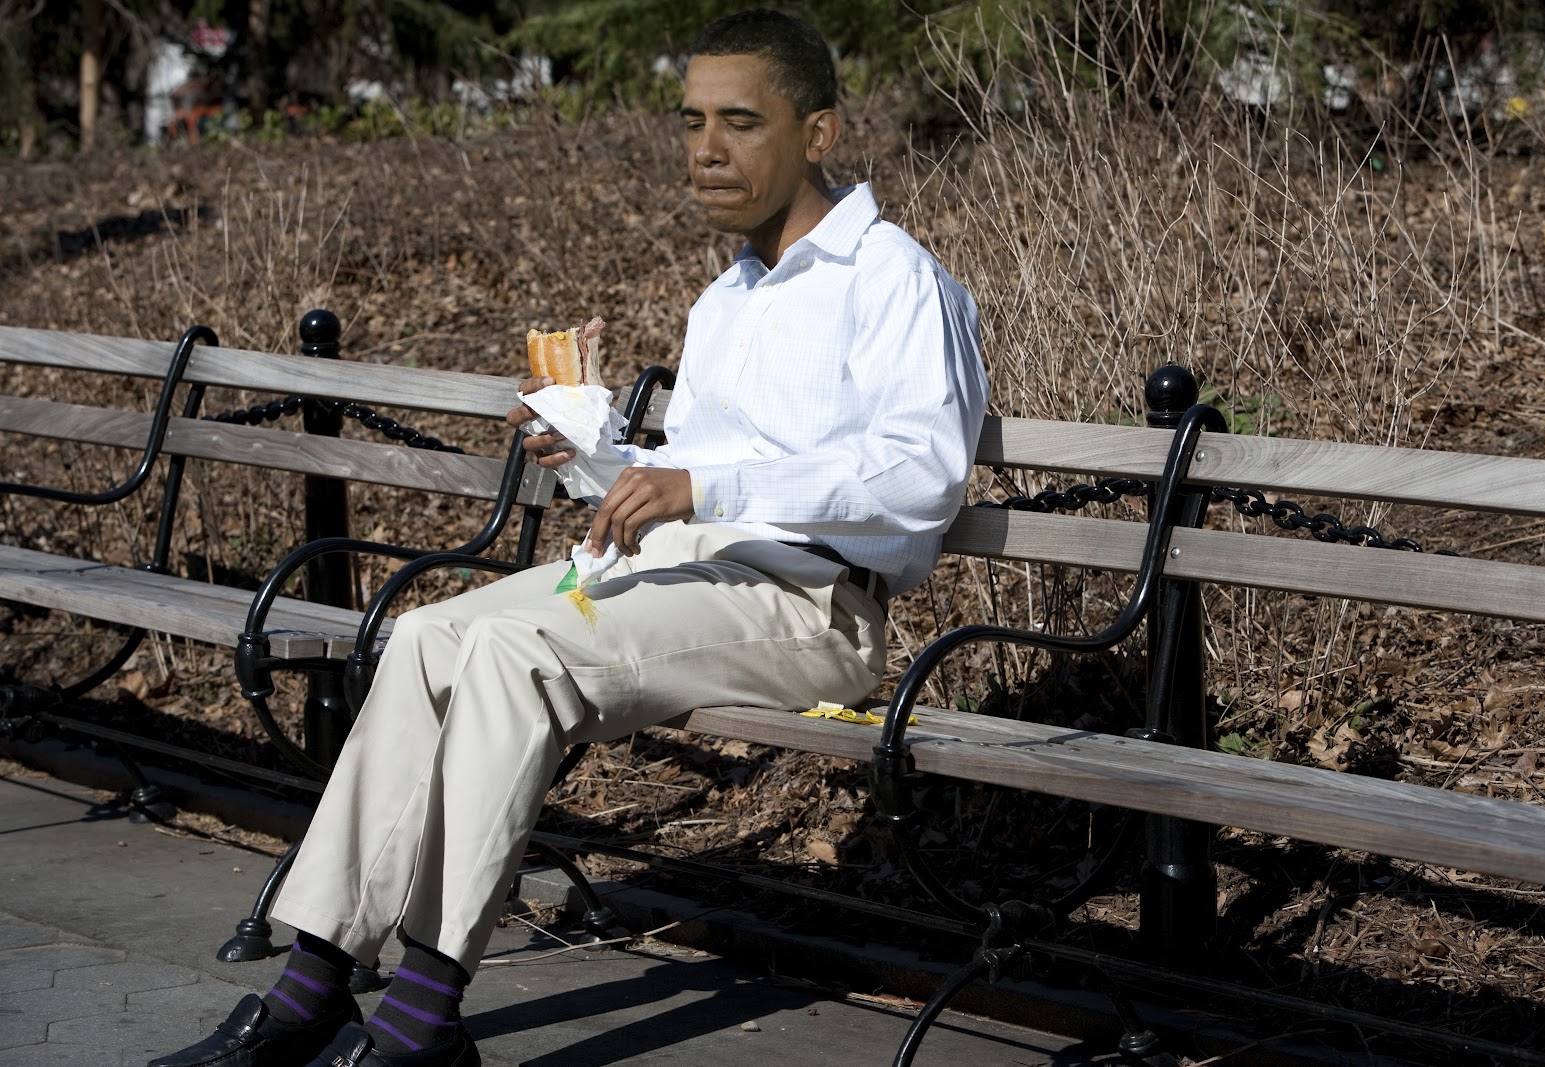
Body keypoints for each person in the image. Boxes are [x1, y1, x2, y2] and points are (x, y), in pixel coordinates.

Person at [149, 9, 986, 1067]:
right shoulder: (728, 295)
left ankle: (421, 1018)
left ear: (817, 133)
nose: (707, 151)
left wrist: (701, 477)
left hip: (810, 606)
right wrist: (587, 442)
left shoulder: (894, 279)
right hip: (681, 571)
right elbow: (681, 479)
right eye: (691, 124)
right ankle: (312, 985)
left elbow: (920, 479)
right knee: (424, 638)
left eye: (741, 122)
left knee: (508, 653)